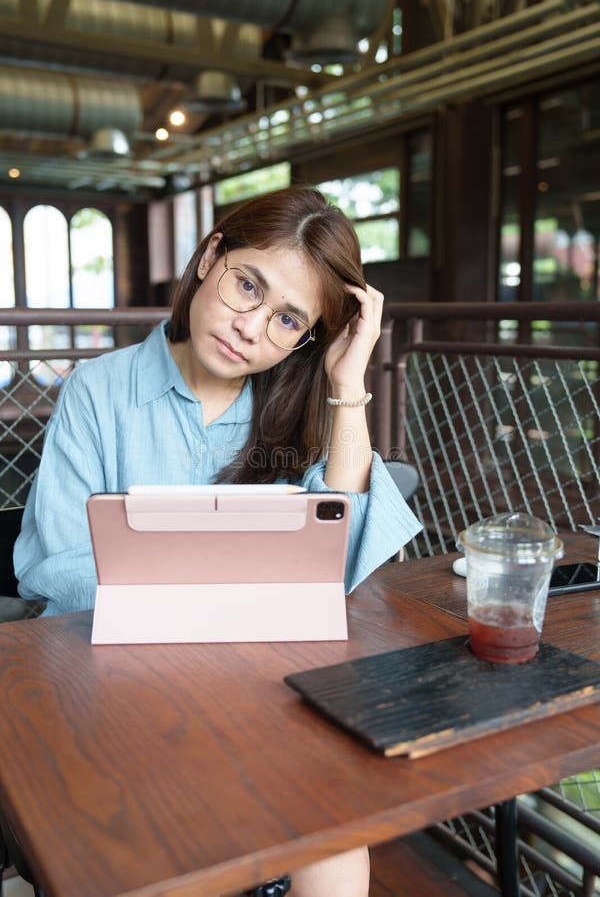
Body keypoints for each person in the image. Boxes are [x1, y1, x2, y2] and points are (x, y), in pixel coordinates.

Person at [14, 186, 421, 897]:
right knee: (165, 860)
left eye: (287, 318)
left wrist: (347, 385)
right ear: (210, 259)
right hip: (114, 688)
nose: (251, 327)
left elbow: (342, 553)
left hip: (257, 692)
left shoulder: (296, 411)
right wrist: (226, 597)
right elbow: (57, 568)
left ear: (305, 338)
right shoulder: (98, 392)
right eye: (247, 285)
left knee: (339, 854)